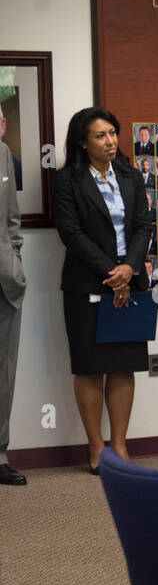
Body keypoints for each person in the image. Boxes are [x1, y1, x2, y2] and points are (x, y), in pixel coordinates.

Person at [52, 107, 152, 472]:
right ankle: (96, 449)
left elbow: (143, 225)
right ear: (83, 142)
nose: (110, 141)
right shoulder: (66, 181)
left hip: (131, 279)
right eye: (100, 135)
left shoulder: (130, 175)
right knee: (91, 367)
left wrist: (129, 269)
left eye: (113, 133)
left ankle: (120, 448)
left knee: (124, 366)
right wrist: (113, 272)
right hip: (86, 283)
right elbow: (71, 234)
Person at [0, 116, 26, 485]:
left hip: (5, 280)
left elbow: (11, 218)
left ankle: (0, 454)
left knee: (4, 372)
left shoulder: (4, 154)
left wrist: (15, 259)